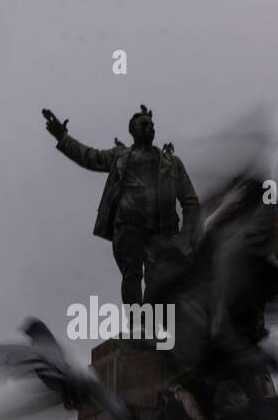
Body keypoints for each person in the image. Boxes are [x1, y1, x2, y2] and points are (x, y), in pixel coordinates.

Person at [43, 104, 200, 304]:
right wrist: (62, 138)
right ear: (132, 131)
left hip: (162, 230)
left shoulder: (171, 162)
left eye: (152, 124)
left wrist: (187, 237)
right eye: (144, 124)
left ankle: (152, 323)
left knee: (159, 278)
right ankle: (136, 325)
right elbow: (90, 157)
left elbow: (190, 202)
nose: (150, 127)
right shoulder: (120, 156)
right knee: (132, 275)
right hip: (128, 225)